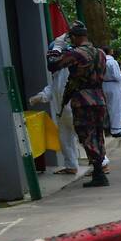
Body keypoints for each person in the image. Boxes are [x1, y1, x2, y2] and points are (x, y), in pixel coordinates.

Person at [46, 21, 109, 187]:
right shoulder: (100, 53)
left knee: (85, 135)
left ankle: (99, 172)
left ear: (74, 37)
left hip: (83, 100)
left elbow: (52, 65)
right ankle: (99, 171)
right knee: (97, 135)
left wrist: (57, 47)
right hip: (99, 98)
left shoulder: (77, 53)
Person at [43, 32, 81, 175]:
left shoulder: (70, 68)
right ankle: (71, 165)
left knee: (84, 136)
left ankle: (102, 163)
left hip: (72, 107)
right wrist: (41, 96)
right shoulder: (58, 72)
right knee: (65, 139)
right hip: (62, 110)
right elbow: (53, 88)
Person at [101, 46, 121, 137]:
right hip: (114, 85)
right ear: (110, 51)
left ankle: (109, 127)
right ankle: (116, 129)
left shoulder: (101, 61)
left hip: (104, 84)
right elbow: (117, 76)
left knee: (108, 107)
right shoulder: (112, 62)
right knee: (116, 107)